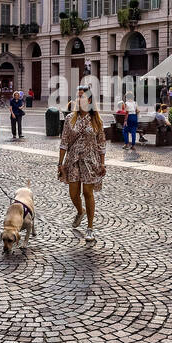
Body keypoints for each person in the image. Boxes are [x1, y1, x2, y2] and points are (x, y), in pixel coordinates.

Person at [58, 85, 106, 243]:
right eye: (78, 96)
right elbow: (64, 142)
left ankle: (90, 228)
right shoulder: (70, 118)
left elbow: (101, 143)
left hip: (90, 160)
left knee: (87, 193)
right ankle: (80, 211)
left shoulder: (96, 120)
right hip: (72, 160)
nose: (79, 99)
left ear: (89, 99)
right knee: (73, 194)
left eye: (82, 96)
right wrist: (60, 163)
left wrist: (102, 163)